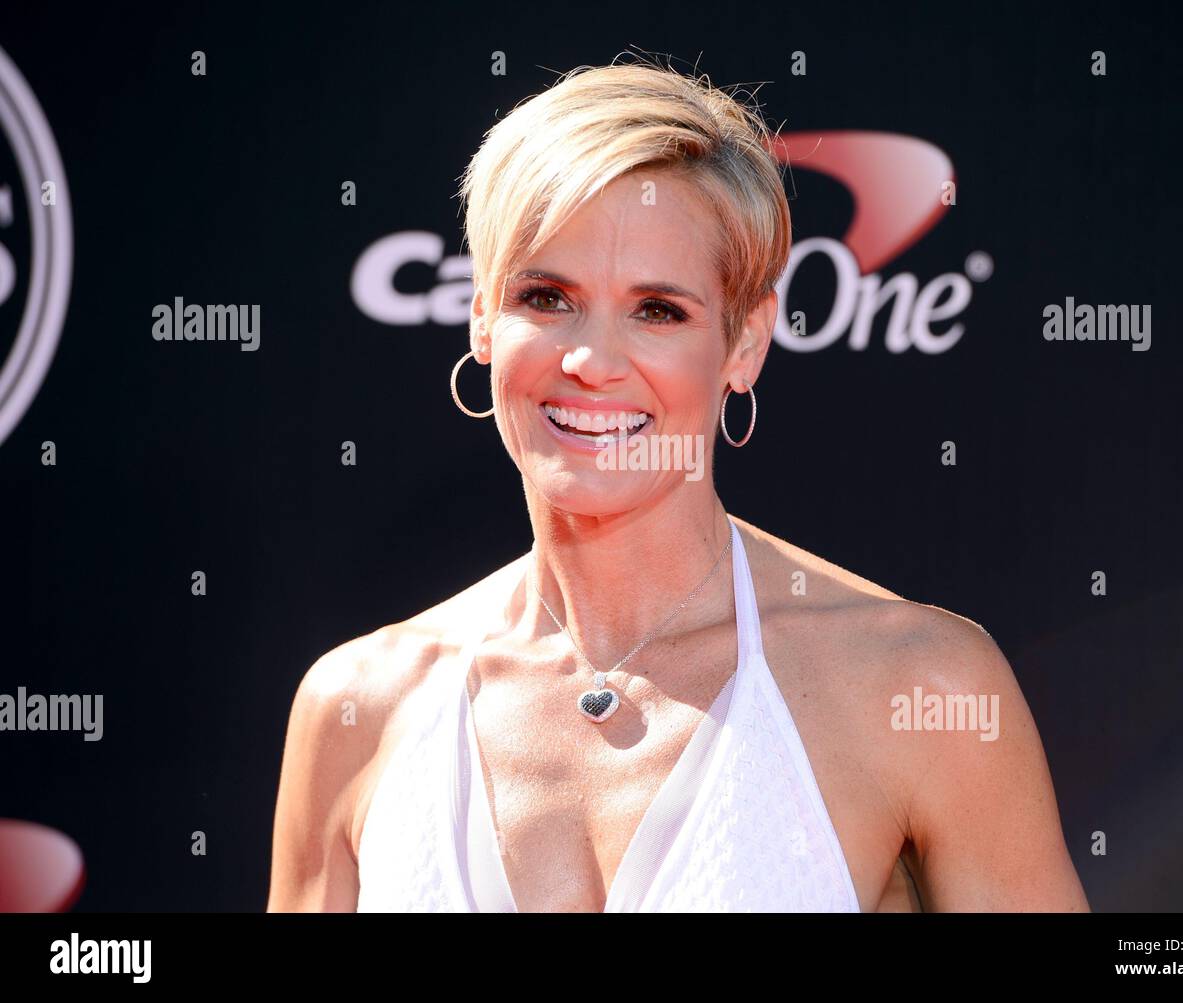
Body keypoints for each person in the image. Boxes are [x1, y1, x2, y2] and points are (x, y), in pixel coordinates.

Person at [267, 56, 1090, 912]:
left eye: (658, 310)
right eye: (546, 297)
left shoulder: (921, 687)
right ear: (481, 314)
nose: (589, 362)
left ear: (746, 342)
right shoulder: (357, 708)